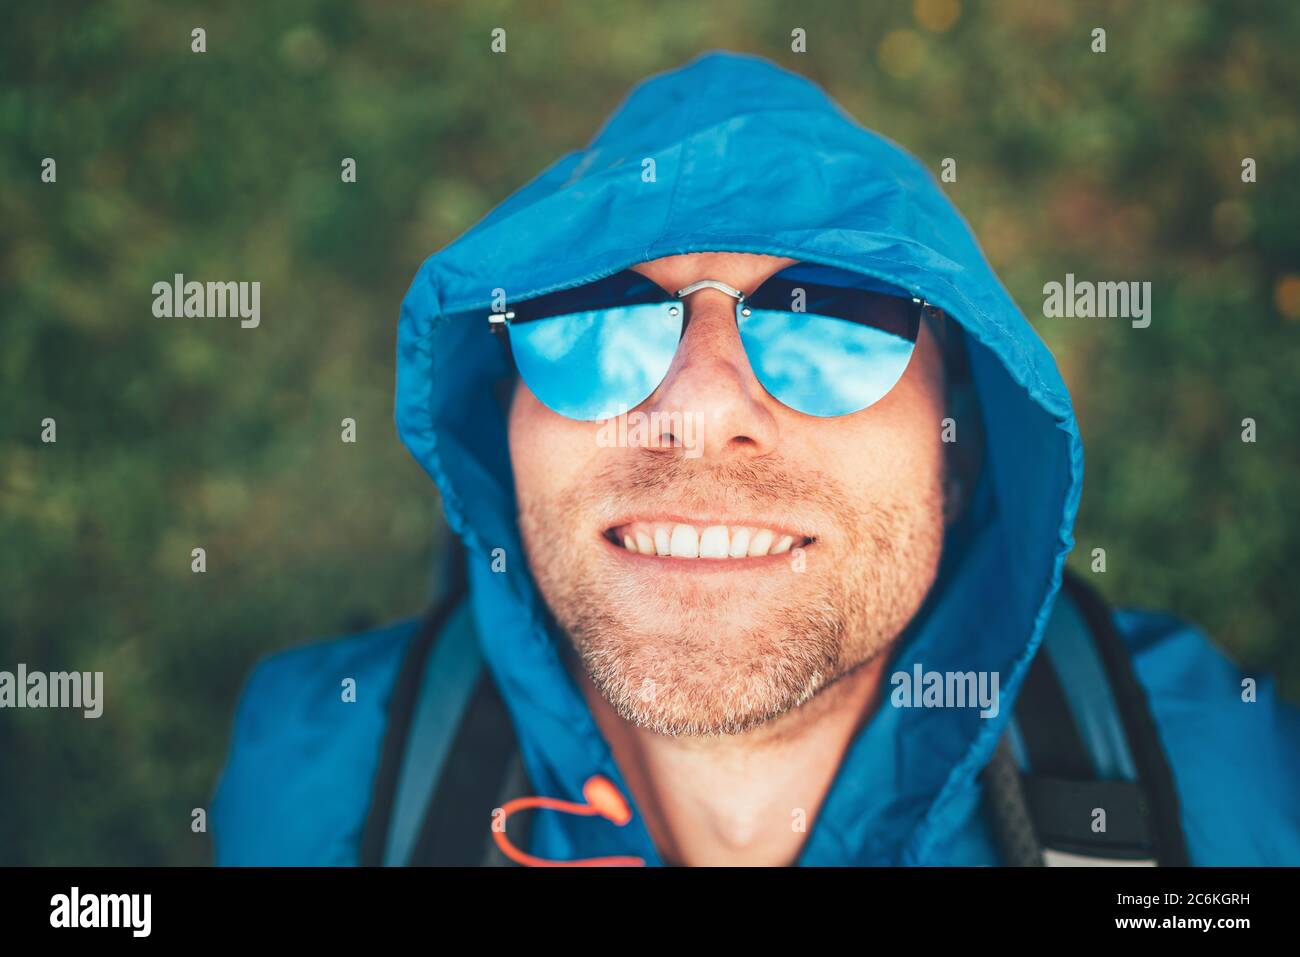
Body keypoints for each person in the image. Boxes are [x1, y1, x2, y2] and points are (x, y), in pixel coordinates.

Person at [211, 51, 1300, 866]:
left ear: (956, 452)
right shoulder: (323, 774)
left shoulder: (1204, 771)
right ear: (504, 426)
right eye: (591, 322)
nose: (696, 409)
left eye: (830, 323)